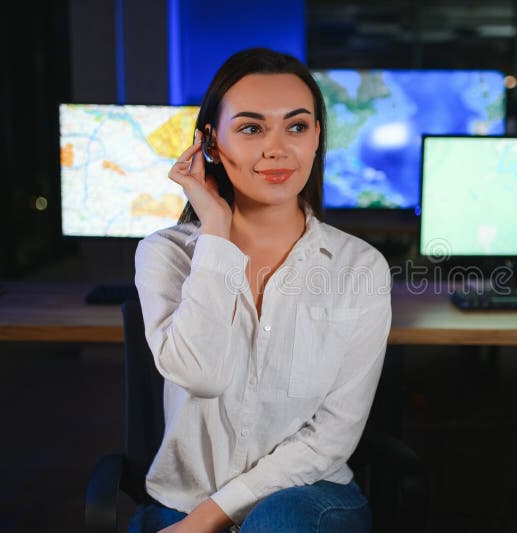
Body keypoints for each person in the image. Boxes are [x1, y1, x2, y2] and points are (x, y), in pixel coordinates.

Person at [130, 48, 392, 533]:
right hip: (186, 497)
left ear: (317, 138)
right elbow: (203, 376)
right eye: (251, 128)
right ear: (208, 142)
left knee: (278, 522)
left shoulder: (360, 267)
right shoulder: (166, 254)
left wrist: (210, 520)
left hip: (307, 497)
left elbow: (331, 438)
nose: (277, 149)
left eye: (296, 127)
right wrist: (215, 228)